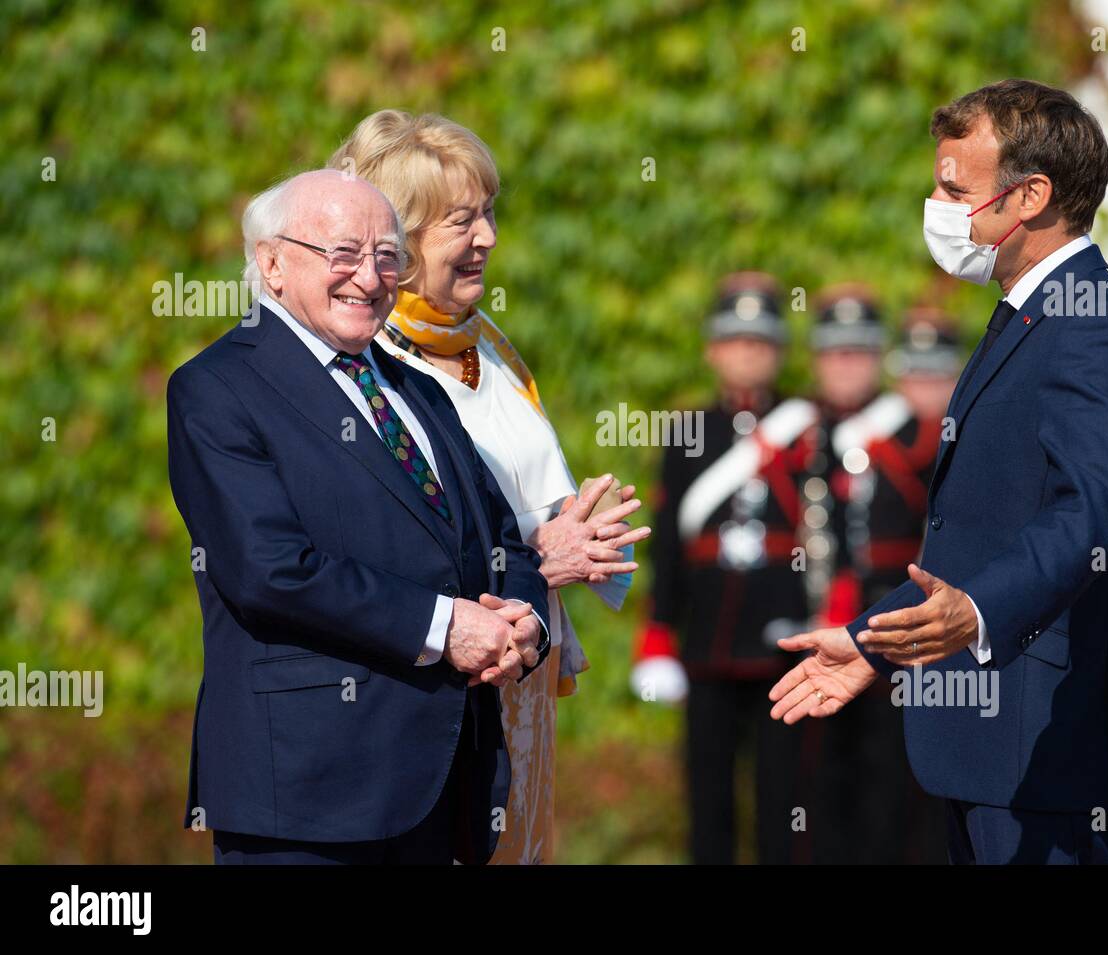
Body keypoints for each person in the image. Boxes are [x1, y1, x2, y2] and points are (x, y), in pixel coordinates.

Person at [770, 79, 1108, 865]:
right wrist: (872, 642)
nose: (937, 204)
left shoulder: (1100, 324)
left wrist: (980, 612)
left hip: (1045, 746)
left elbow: (1088, 515)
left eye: (956, 188)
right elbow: (978, 535)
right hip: (988, 752)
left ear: (1030, 196)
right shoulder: (1026, 312)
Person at [167, 169, 549, 864]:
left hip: (443, 790)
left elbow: (495, 536)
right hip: (309, 801)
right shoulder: (216, 389)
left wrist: (525, 617)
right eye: (343, 254)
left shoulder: (416, 389)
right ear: (272, 263)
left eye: (387, 257)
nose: (370, 279)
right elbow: (270, 571)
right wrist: (446, 625)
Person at [329, 110, 649, 864]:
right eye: (462, 221)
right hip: (431, 693)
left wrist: (565, 535)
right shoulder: (364, 362)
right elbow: (389, 552)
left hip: (518, 673)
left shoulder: (484, 342)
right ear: (399, 239)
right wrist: (546, 556)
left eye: (489, 214)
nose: (489, 239)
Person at [632, 272, 814, 864]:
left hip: (784, 641)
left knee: (785, 802)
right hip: (706, 643)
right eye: (735, 340)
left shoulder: (808, 428)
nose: (747, 352)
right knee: (707, 803)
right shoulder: (687, 432)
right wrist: (658, 632)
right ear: (713, 349)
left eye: (760, 341)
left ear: (779, 351)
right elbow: (666, 545)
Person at [793, 285, 946, 864]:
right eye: (835, 351)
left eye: (859, 351)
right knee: (819, 786)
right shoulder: (803, 429)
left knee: (896, 781)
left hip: (899, 621)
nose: (846, 363)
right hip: (823, 621)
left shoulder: (912, 432)